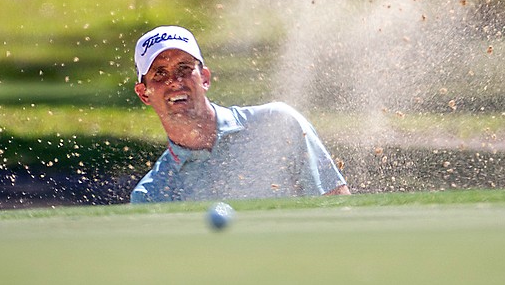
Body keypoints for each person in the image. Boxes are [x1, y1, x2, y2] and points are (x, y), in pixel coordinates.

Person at [131, 24, 350, 202]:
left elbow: (338, 209)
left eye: (184, 68)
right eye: (159, 73)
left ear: (204, 78)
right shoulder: (153, 195)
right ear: (144, 94)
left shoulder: (278, 125)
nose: (175, 81)